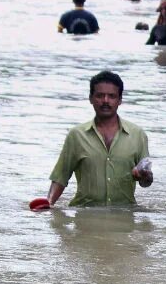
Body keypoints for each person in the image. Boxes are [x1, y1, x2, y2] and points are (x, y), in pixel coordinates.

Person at [46, 71, 153, 207]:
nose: (105, 101)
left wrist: (144, 176)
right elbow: (60, 177)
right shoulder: (76, 135)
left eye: (112, 96)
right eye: (100, 96)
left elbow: (147, 181)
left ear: (120, 100)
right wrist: (48, 204)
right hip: (84, 215)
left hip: (124, 215)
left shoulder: (138, 135)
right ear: (90, 98)